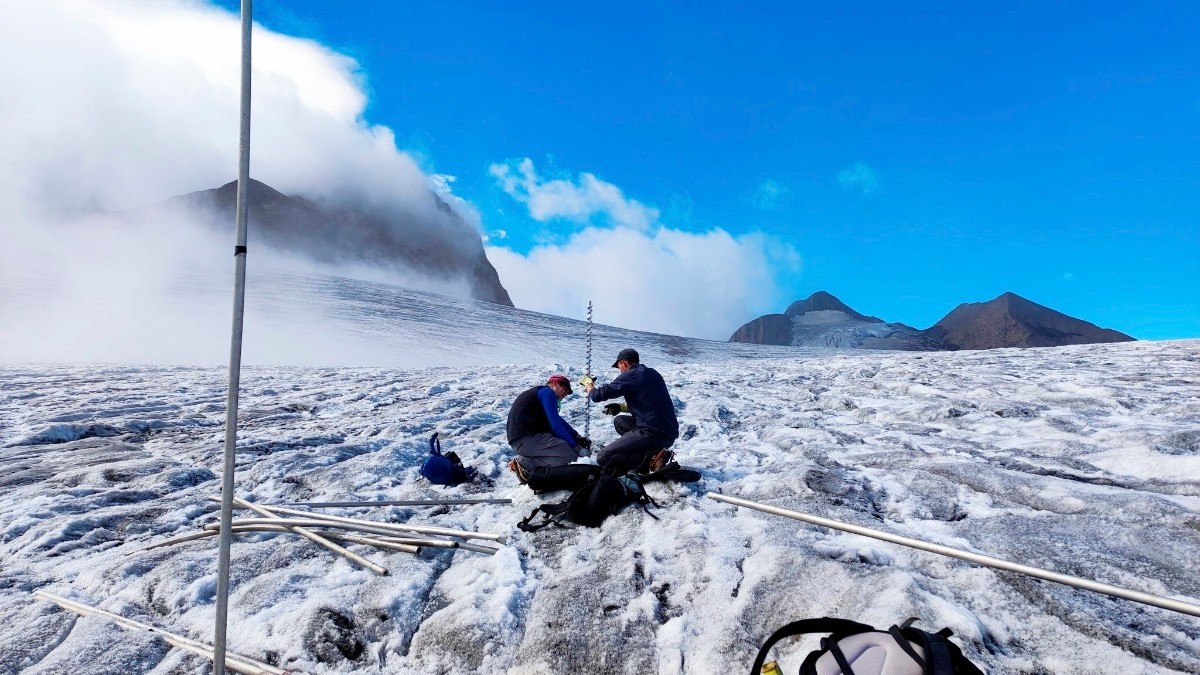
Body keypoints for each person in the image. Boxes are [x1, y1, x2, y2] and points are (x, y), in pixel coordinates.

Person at [584, 348, 679, 476]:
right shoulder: (652, 373)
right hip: (668, 432)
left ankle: (646, 461)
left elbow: (597, 395)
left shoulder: (631, 375)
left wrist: (588, 384)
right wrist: (621, 407)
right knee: (620, 421)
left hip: (652, 433)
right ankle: (653, 452)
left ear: (624, 363)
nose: (620, 371)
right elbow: (649, 403)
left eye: (619, 367)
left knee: (603, 457)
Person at [506, 374, 599, 491]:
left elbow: (558, 420)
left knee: (568, 457)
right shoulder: (547, 392)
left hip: (521, 441)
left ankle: (529, 464)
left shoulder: (541, 395)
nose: (566, 393)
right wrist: (576, 447)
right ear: (554, 384)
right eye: (564, 389)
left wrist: (576, 436)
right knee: (573, 459)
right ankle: (526, 464)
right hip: (527, 438)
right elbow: (555, 425)